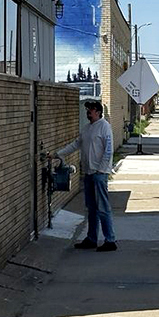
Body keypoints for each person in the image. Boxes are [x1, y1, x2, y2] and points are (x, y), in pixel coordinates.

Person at [57, 99, 117, 252]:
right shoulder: (87, 128)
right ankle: (91, 238)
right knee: (91, 208)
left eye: (90, 109)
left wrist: (102, 170)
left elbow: (108, 151)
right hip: (89, 173)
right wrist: (58, 154)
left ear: (98, 111)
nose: (88, 112)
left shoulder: (104, 127)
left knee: (103, 208)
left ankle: (110, 240)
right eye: (87, 109)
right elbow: (76, 144)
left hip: (99, 174)